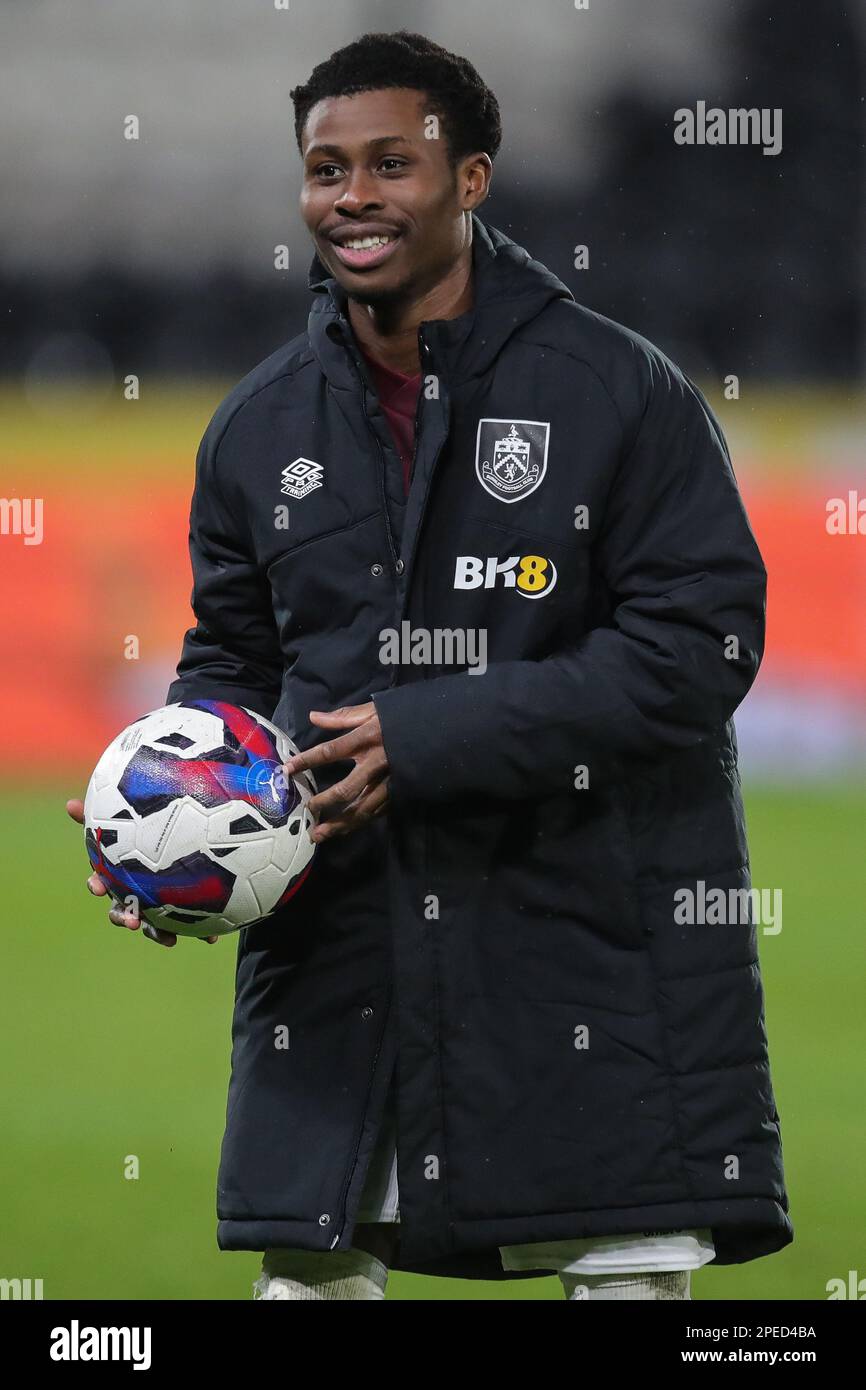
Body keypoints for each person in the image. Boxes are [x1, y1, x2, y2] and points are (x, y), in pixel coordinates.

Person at [68, 29, 792, 1300]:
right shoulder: (255, 425)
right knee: (312, 1277)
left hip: (589, 965)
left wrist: (426, 738)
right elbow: (232, 660)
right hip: (340, 963)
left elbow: (697, 646)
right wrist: (168, 812)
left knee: (616, 1266)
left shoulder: (620, 392)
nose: (351, 197)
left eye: (390, 163)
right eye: (325, 168)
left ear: (470, 179)